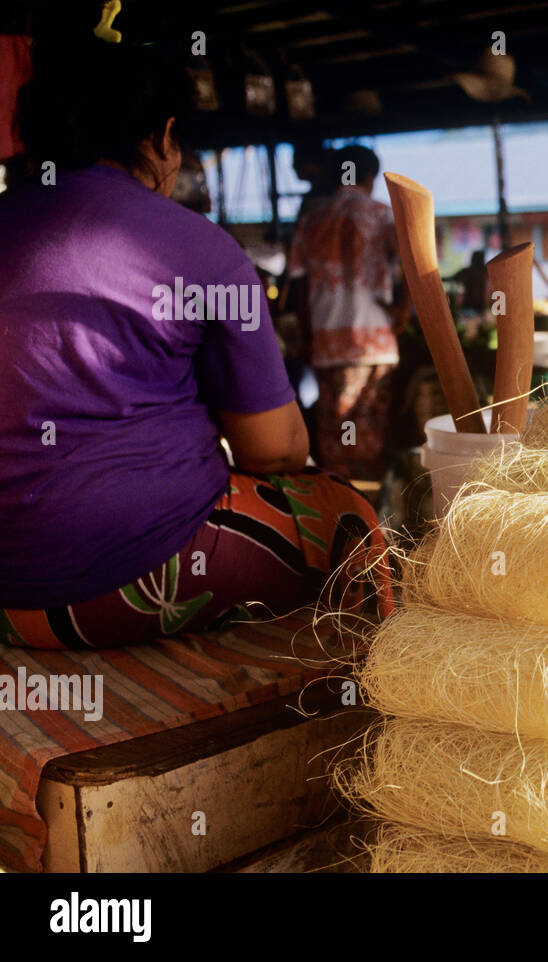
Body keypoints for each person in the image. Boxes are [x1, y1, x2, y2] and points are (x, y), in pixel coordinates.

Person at [0, 42, 390, 649]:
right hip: (113, 585)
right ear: (163, 136)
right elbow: (275, 451)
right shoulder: (197, 247)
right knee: (349, 516)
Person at [288, 143, 406, 495]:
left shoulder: (311, 220)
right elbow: (417, 269)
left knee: (335, 435)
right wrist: (401, 312)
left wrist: (307, 337)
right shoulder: (383, 215)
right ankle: (368, 516)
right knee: (368, 436)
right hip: (374, 344)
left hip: (327, 344)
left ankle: (338, 510)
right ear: (369, 177)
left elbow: (298, 286)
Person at [450, 249, 491, 314]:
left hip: (469, 304)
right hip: (482, 305)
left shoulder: (467, 271)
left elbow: (452, 278)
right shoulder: (487, 272)